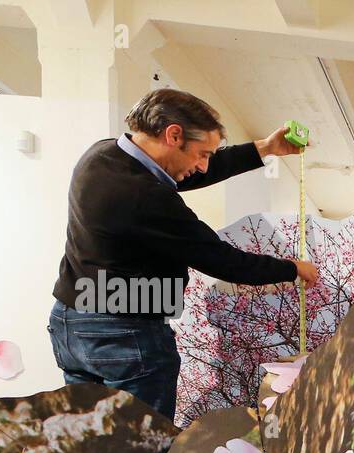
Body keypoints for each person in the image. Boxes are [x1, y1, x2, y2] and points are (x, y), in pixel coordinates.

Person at [49, 89, 320, 421]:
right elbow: (221, 260)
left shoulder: (103, 155)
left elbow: (187, 173)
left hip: (71, 322)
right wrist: (291, 268)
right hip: (122, 332)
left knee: (86, 438)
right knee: (142, 447)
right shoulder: (145, 197)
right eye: (201, 153)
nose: (203, 165)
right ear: (173, 135)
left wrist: (265, 148)